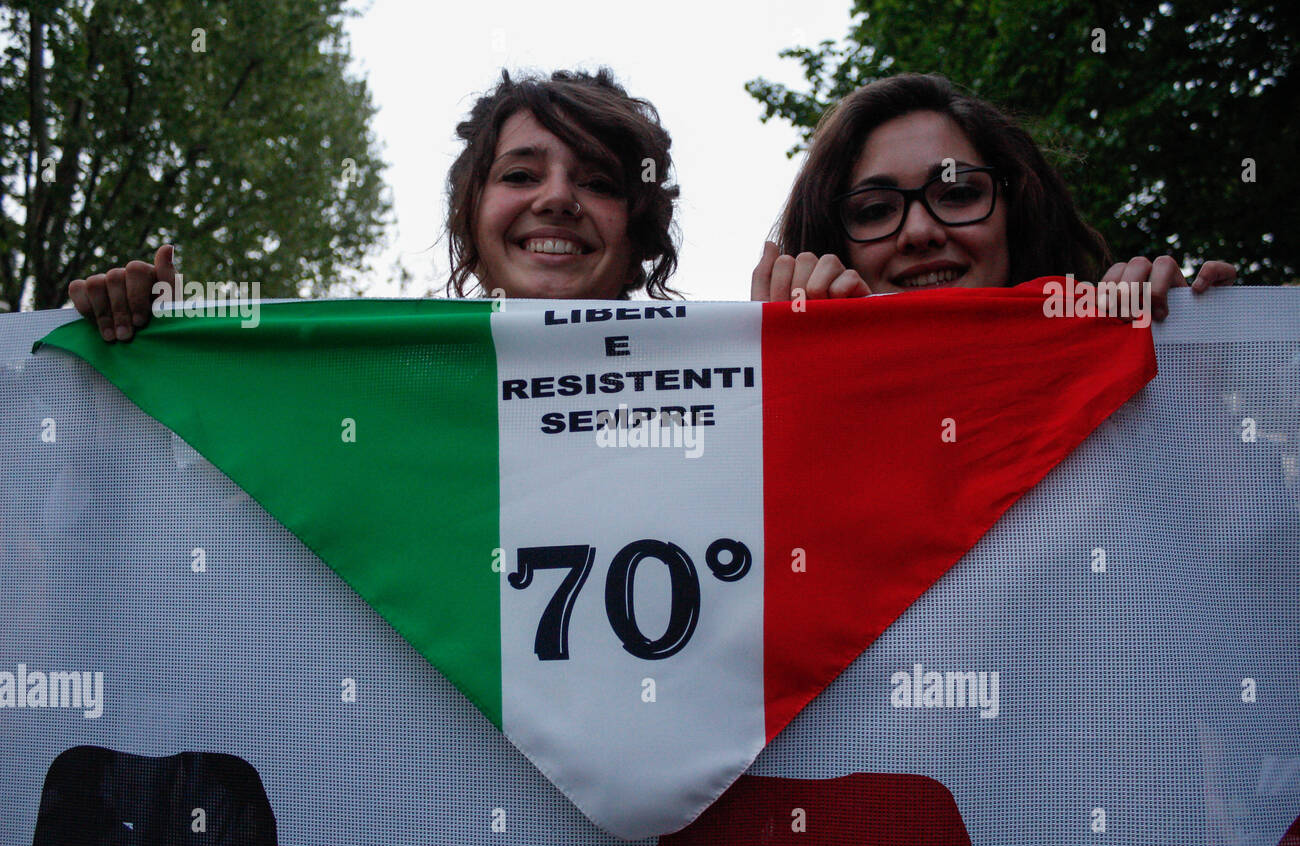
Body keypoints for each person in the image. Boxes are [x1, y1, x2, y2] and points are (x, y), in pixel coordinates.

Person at [68, 68, 681, 341]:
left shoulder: (725, 401)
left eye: (599, 183)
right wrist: (171, 344)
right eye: (520, 175)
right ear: (469, 223)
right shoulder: (378, 383)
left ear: (640, 238)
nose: (558, 199)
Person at [751, 73, 1236, 318]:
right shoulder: (759, 412)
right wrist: (770, 366)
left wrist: (1198, 355)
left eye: (958, 193)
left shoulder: (1134, 373)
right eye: (876, 210)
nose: (919, 231)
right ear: (834, 241)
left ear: (1015, 210)